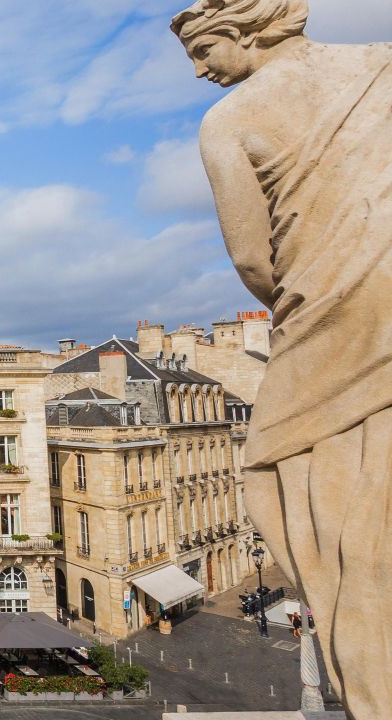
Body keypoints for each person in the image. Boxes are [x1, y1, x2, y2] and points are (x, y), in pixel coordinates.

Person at [173, 1, 392, 716]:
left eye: (206, 50)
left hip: (334, 312)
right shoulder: (382, 61)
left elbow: (250, 255)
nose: (202, 71)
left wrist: (308, 302)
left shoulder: (230, 121)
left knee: (308, 500)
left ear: (247, 29)